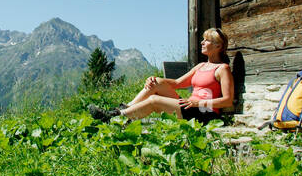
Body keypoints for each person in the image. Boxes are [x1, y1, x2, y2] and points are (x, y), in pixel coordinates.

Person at [88, 28, 234, 123]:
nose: (202, 42)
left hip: (204, 112)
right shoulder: (200, 66)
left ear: (218, 46)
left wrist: (199, 103)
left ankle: (116, 117)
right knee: (156, 82)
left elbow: (227, 101)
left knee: (154, 100)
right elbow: (177, 83)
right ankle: (124, 109)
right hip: (189, 107)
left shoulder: (222, 69)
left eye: (207, 40)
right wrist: (155, 80)